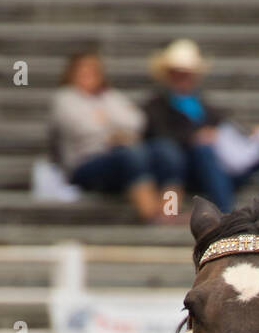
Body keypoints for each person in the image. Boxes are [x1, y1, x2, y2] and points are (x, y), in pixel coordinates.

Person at [143, 39, 259, 212]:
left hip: (226, 164)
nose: (182, 77)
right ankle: (225, 213)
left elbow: (227, 131)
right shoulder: (154, 107)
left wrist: (250, 135)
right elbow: (159, 140)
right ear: (168, 74)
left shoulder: (206, 106)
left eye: (187, 72)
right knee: (204, 150)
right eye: (177, 72)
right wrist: (195, 139)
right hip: (194, 170)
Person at [51, 52, 184, 222]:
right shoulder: (65, 99)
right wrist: (114, 132)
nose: (88, 76)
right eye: (83, 71)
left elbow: (137, 121)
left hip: (122, 156)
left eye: (93, 71)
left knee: (166, 150)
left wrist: (106, 122)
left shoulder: (110, 96)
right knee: (131, 155)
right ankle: (151, 215)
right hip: (86, 162)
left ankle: (170, 211)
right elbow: (84, 129)